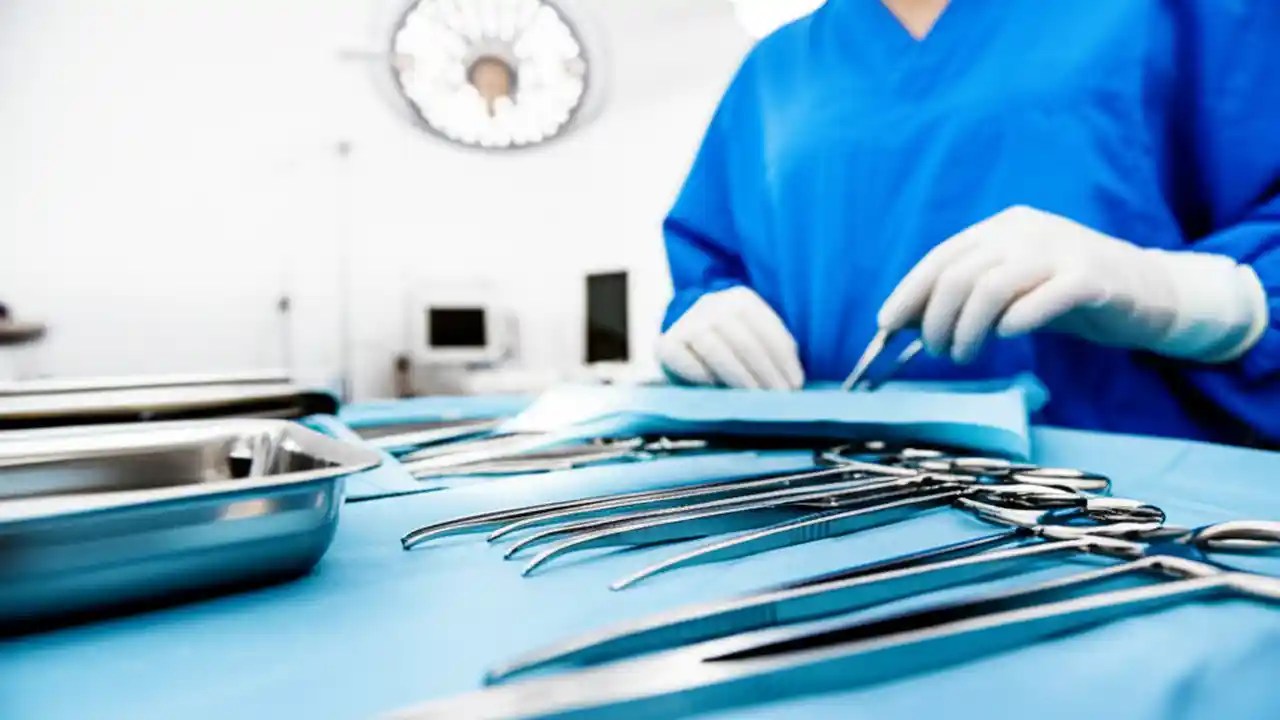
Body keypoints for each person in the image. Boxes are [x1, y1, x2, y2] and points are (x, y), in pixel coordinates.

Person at [656, 0, 1280, 446]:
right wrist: (706, 310)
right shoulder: (772, 72)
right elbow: (711, 261)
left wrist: (1200, 299)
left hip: (1140, 514)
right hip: (825, 511)